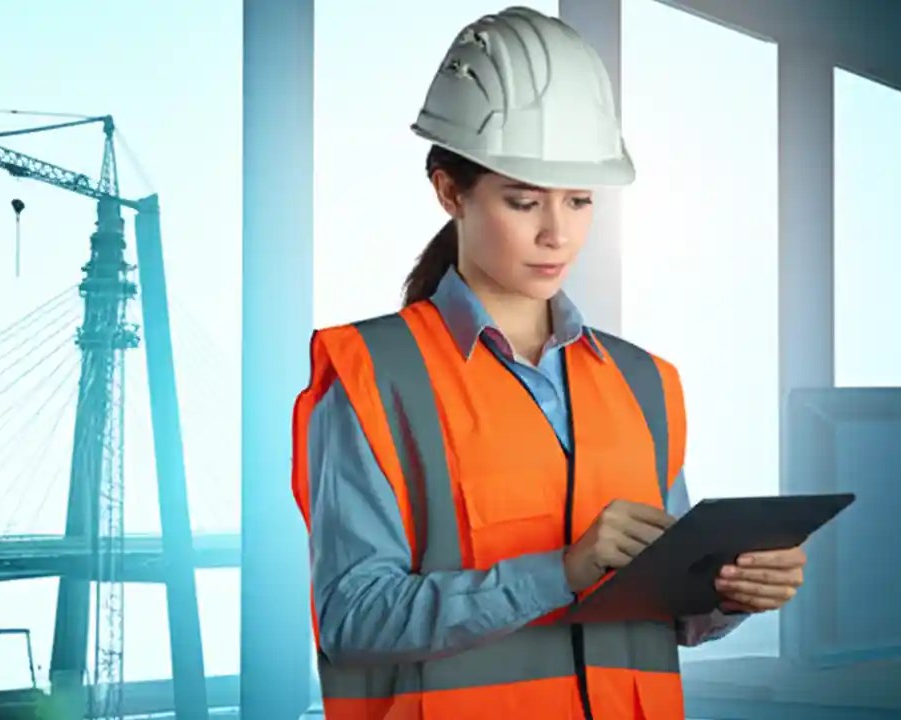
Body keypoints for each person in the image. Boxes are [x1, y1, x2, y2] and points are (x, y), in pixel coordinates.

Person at [290, 7, 807, 720]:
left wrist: (729, 593)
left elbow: (671, 613)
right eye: (524, 200)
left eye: (580, 200)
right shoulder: (376, 376)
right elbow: (354, 620)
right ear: (449, 191)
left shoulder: (644, 385)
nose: (556, 233)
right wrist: (559, 573)